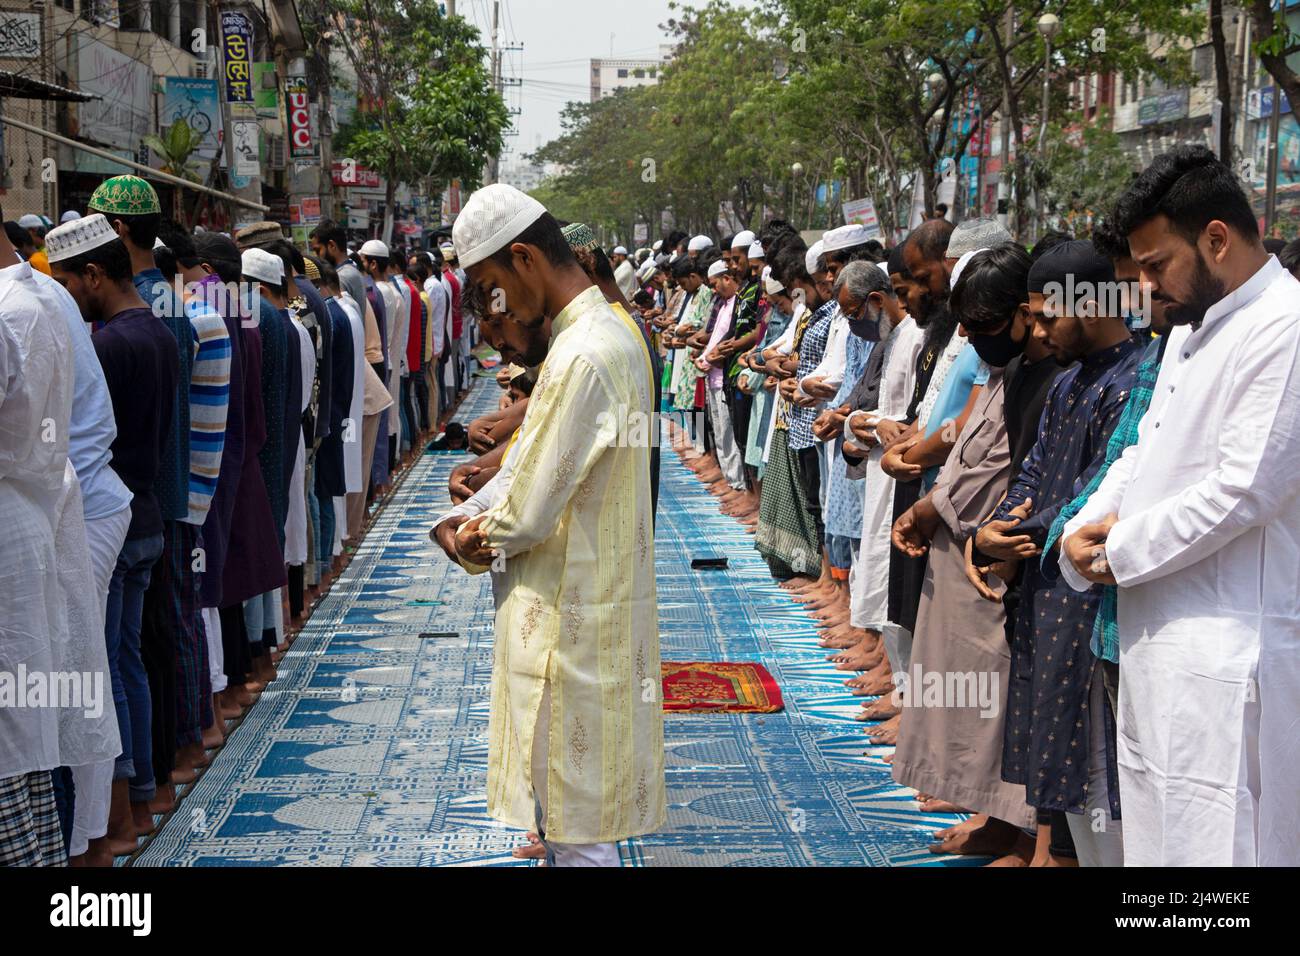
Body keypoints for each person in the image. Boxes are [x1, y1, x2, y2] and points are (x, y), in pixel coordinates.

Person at [1060, 145, 1300, 866]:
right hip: (1156, 645)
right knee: (1162, 845)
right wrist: (1082, 529)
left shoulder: (1283, 327)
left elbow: (1245, 486)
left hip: (1230, 662)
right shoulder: (1191, 328)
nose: (1144, 286)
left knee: (1224, 851)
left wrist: (1119, 549)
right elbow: (1143, 450)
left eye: (1156, 264)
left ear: (1217, 238)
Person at [446, 183, 665, 865]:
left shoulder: (580, 355)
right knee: (579, 817)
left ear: (526, 261)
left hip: (569, 621)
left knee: (578, 833)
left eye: (491, 291)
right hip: (593, 599)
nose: (494, 313)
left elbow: (526, 514)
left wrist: (464, 533)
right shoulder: (612, 331)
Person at [974, 240, 1142, 867]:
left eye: (1047, 316)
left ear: (1091, 303)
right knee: (1067, 784)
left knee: (1103, 787)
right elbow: (1037, 471)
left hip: (1090, 612)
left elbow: (1092, 494)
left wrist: (1009, 536)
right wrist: (1001, 524)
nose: (1037, 332)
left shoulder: (1132, 383)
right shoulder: (1070, 381)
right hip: (1045, 601)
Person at [47, 212, 179, 855]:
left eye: (68, 283)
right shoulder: (155, 331)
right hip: (144, 515)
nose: (65, 298)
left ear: (93, 274)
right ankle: (146, 798)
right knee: (126, 661)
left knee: (99, 672)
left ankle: (115, 822)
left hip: (107, 521)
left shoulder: (107, 344)